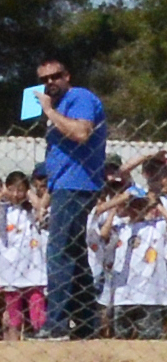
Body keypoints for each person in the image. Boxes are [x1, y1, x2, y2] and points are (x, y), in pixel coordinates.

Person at [32, 56, 105, 338]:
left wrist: (49, 112)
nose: (50, 82)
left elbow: (82, 132)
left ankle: (57, 324)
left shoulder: (80, 97)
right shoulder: (57, 106)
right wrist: (48, 196)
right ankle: (87, 324)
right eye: (44, 79)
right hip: (62, 185)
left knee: (59, 252)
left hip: (79, 185)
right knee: (74, 254)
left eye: (55, 76)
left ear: (67, 76)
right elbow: (58, 157)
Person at [97, 184, 167, 340]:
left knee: (150, 339)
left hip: (150, 296)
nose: (135, 208)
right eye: (132, 204)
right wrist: (115, 207)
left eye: (139, 204)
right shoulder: (120, 228)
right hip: (123, 295)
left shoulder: (156, 227)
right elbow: (103, 234)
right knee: (121, 339)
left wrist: (156, 204)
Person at [0, 172, 45, 342]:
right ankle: (13, 345)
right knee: (13, 312)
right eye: (12, 190)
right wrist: (4, 193)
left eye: (20, 190)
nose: (15, 194)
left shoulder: (30, 210)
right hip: (10, 269)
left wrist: (28, 193)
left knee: (37, 307)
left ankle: (40, 338)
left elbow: (40, 206)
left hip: (33, 267)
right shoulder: (4, 210)